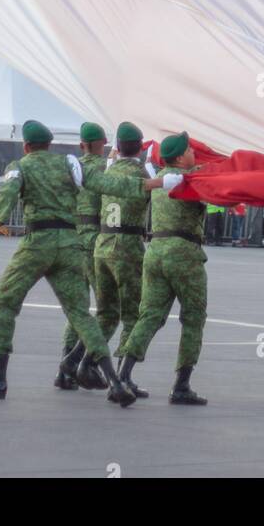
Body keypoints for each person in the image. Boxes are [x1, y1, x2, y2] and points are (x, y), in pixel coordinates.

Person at [0, 118, 169, 404]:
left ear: (26, 146)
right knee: (82, 313)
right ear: (50, 144)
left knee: (5, 303)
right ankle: (114, 381)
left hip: (39, 243)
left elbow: (8, 194)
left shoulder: (20, 167)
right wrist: (157, 181)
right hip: (72, 243)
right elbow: (109, 184)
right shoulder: (72, 165)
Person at [118, 131, 208, 406]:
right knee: (193, 318)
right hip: (183, 253)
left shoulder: (158, 180)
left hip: (155, 252)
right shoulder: (189, 180)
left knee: (149, 316)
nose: (194, 153)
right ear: (180, 158)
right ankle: (181, 385)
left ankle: (122, 375)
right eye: (190, 149)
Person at [89, 121, 151, 397]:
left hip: (102, 245)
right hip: (127, 248)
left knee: (105, 313)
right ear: (140, 148)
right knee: (132, 315)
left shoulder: (108, 169)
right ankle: (123, 377)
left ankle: (80, 362)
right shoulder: (142, 172)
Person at [57, 122, 109, 384]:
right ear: (104, 142)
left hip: (70, 238)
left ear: (81, 145)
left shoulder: (69, 169)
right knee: (106, 309)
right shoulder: (103, 169)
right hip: (96, 239)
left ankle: (64, 369)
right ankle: (81, 362)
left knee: (77, 308)